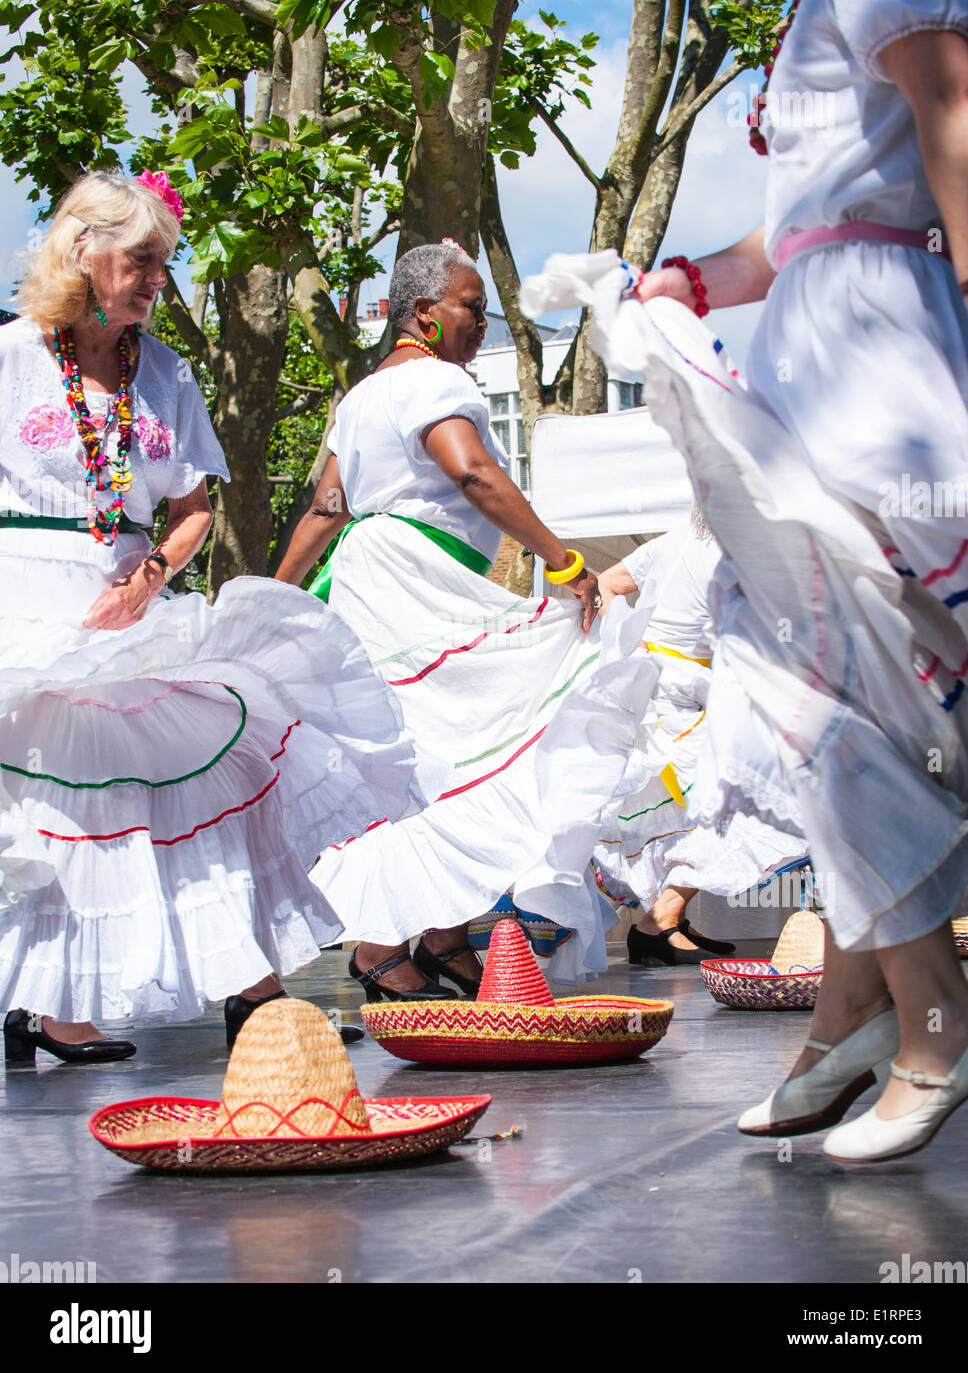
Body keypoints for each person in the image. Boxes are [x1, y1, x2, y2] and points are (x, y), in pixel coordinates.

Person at [524, 0, 968, 1163]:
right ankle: (855, 1011)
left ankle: (930, 1014)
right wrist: (692, 283)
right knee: (814, 674)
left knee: (822, 677)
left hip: (880, 353)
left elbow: (953, 104)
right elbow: (821, 213)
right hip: (836, 334)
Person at [0, 170, 423, 1062]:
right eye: (143, 261)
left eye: (164, 263)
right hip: (26, 600)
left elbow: (193, 508)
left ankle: (254, 988)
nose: (158, 280)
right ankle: (50, 1003)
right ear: (84, 251)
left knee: (209, 772)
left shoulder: (164, 370)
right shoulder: (12, 359)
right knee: (61, 805)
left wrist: (149, 574)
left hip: (127, 595)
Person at [275, 241, 607, 997]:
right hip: (410, 587)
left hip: (376, 580)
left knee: (426, 760)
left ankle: (441, 937)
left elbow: (328, 508)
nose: (481, 325)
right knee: (454, 753)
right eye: (471, 307)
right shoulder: (433, 381)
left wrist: (278, 595)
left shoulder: (361, 396)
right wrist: (560, 560)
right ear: (424, 312)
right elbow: (471, 470)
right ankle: (385, 949)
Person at [570, 511, 808, 967]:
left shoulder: (675, 539)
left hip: (648, 686)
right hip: (684, 693)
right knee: (741, 802)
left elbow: (608, 585)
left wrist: (615, 645)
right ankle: (662, 916)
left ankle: (663, 923)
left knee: (675, 811)